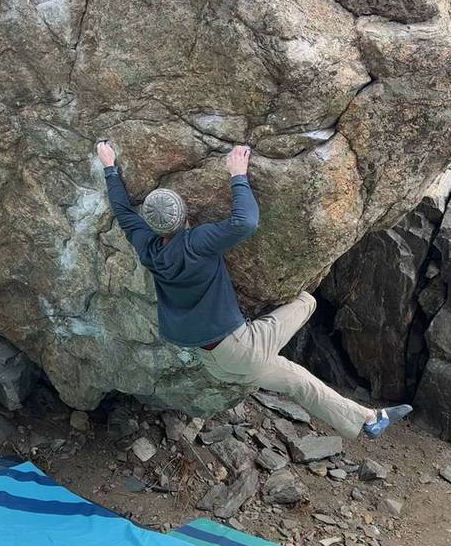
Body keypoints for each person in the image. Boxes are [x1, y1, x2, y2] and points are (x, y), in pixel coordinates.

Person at [96, 140, 412, 441]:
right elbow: (245, 222)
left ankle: (369, 420)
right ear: (185, 217)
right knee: (306, 302)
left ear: (153, 226)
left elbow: (124, 214)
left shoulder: (148, 249)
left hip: (215, 363)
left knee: (297, 381)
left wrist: (110, 169)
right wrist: (238, 175)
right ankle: (365, 417)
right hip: (241, 347)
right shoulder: (197, 242)